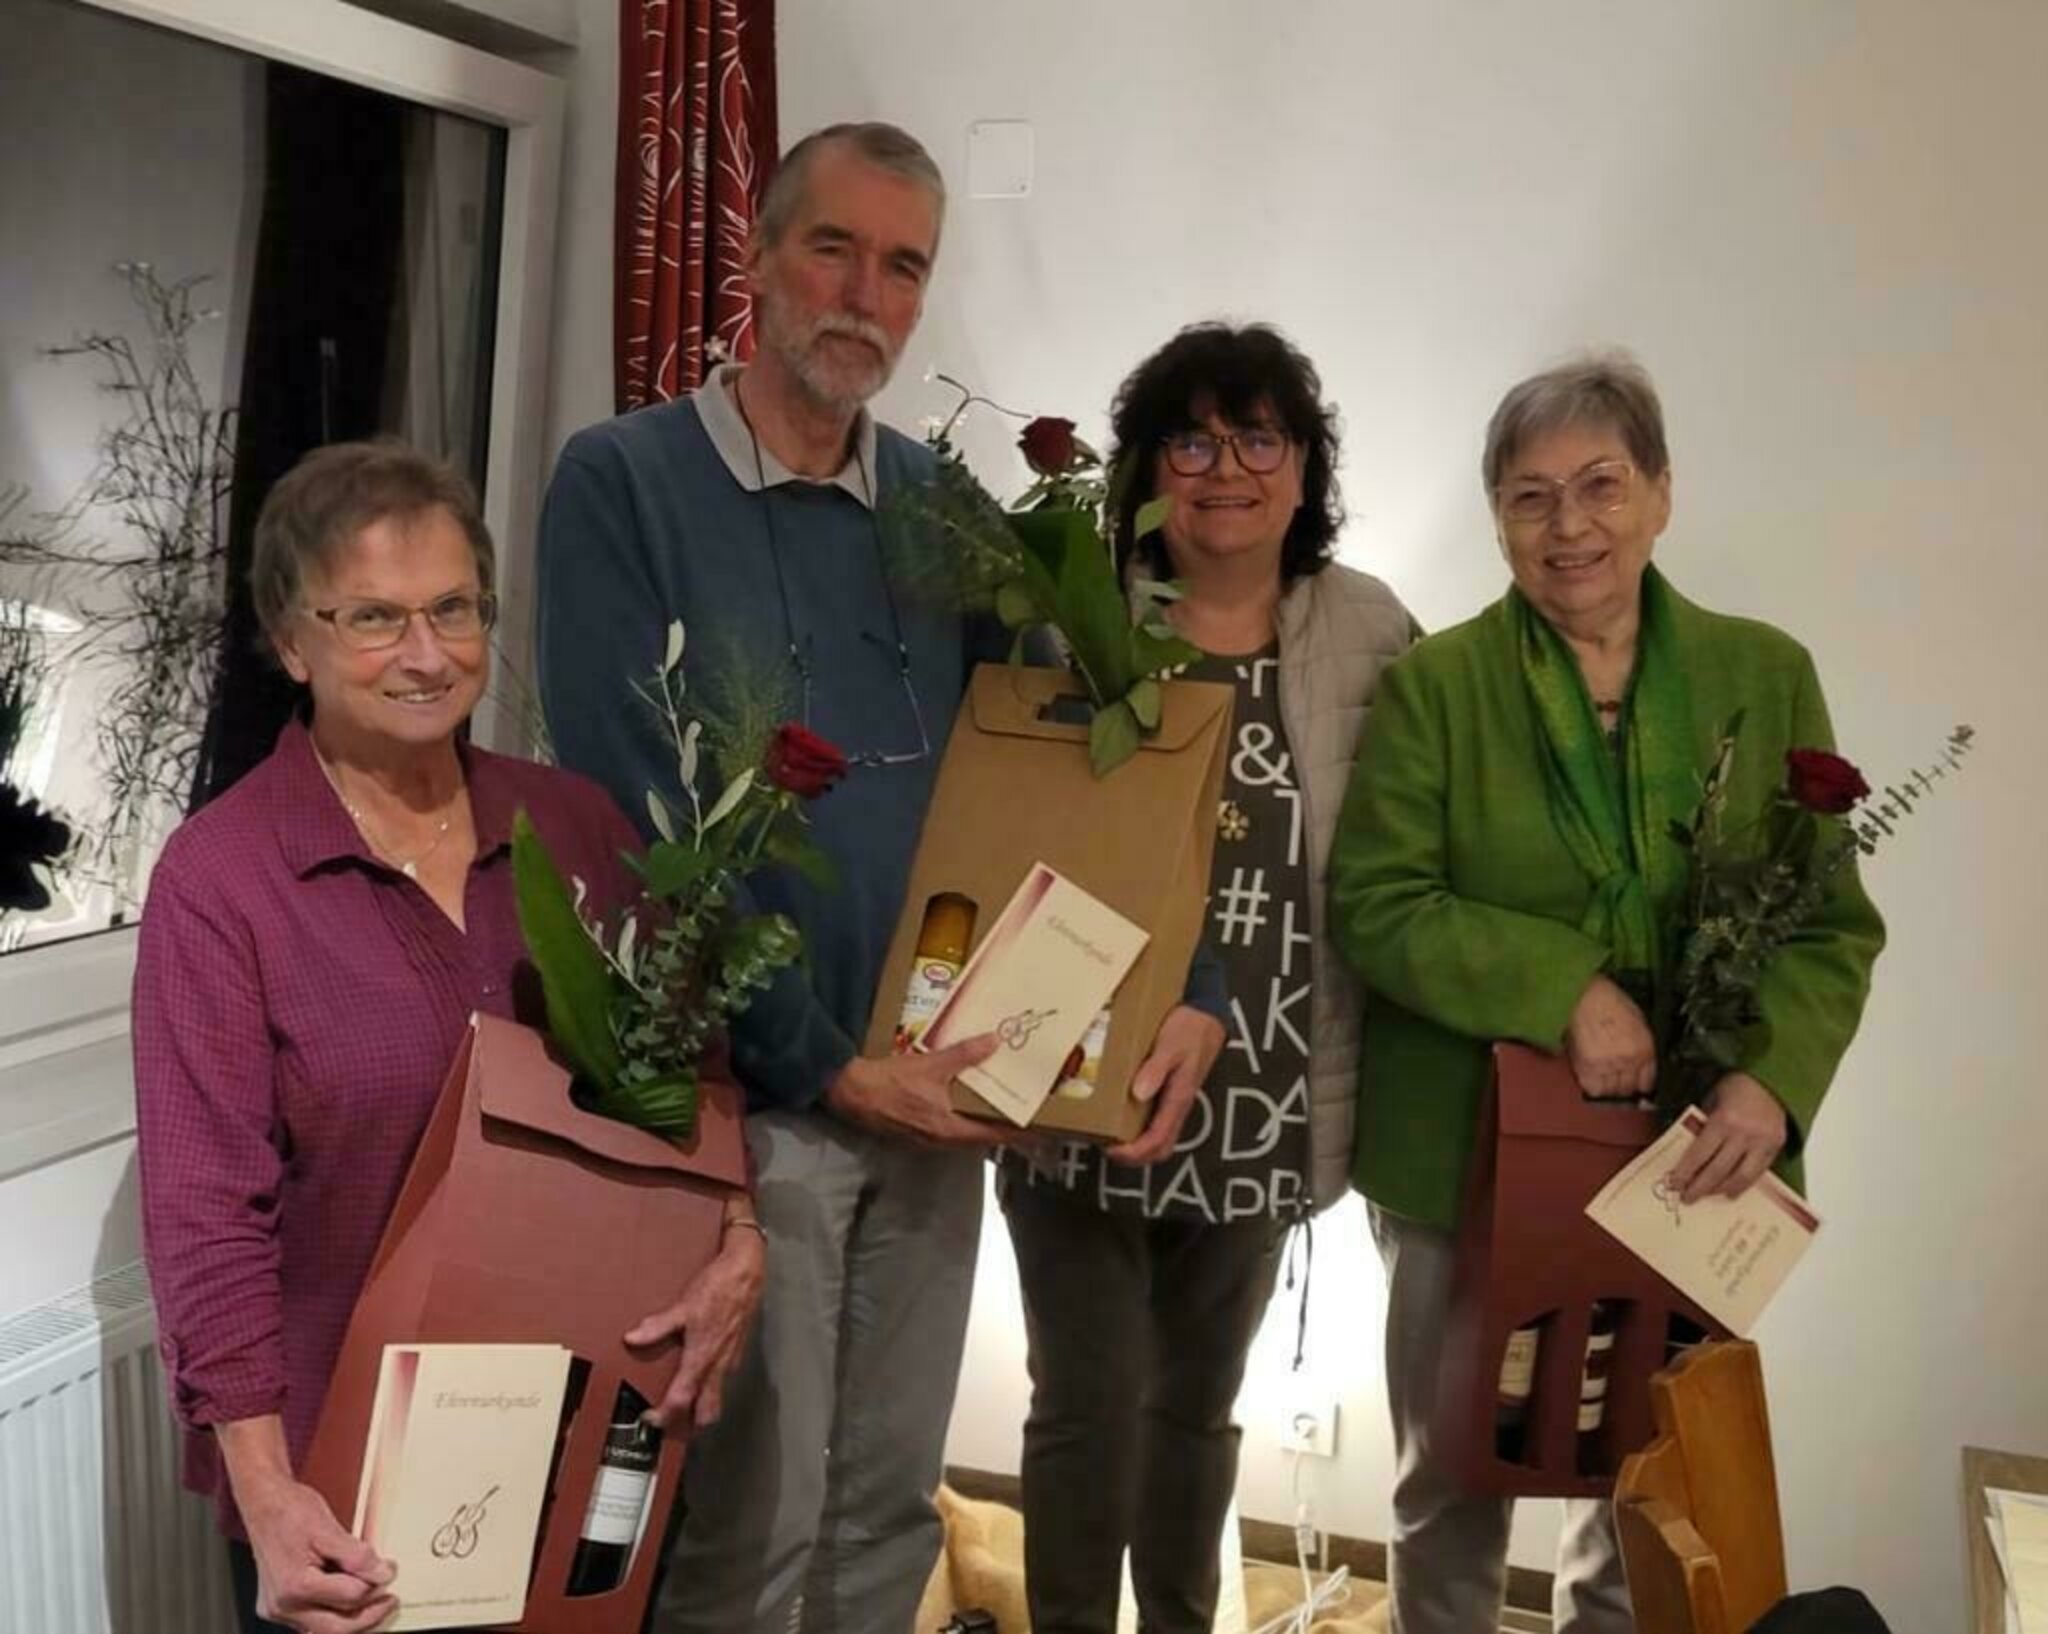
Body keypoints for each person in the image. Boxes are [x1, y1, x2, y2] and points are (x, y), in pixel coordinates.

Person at [536, 122, 1228, 1634]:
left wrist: (1192, 988)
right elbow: (628, 823)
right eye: (832, 247)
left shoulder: (946, 515)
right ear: (757, 258)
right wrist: (828, 1064)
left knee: (881, 1520)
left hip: (937, 1093)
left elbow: (1094, 767)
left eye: (902, 265)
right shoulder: (622, 484)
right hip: (746, 1106)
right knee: (745, 1529)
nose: (864, 292)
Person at [132, 443, 764, 1634]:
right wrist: (268, 1497)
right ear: (290, 638)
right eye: (372, 616)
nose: (426, 655)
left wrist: (738, 1232)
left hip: (579, 1431)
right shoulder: (223, 880)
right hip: (344, 1476)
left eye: (452, 608)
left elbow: (695, 1075)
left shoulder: (572, 823)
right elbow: (206, 1216)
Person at [1328, 354, 1885, 1634]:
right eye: (1530, 498)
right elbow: (1378, 902)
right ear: (1496, 518)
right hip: (1464, 1154)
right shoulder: (1439, 686)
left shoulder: (1764, 672)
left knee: (1639, 1473)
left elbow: (1826, 921)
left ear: (1660, 496)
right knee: (1452, 1477)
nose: (1568, 526)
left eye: (1599, 486)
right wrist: (1562, 984)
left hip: (1686, 1153)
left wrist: (1771, 1076)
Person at [997, 322, 1417, 1634]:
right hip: (1085, 1077)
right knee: (1089, 1398)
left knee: (1192, 1410)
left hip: (1268, 1096)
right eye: (1191, 435)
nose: (1225, 465)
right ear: (1145, 466)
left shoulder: (1368, 627)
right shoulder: (1075, 612)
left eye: (1258, 436)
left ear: (1303, 468)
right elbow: (1007, 826)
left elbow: (1410, 841)